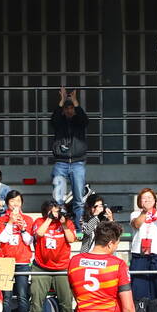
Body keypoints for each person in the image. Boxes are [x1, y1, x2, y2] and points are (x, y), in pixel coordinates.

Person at [32, 199, 77, 312]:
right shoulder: (39, 222)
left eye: (58, 210)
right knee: (36, 295)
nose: (57, 213)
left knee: (66, 295)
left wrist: (63, 224)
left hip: (62, 266)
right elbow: (39, 234)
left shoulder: (67, 223)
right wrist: (49, 219)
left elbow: (71, 239)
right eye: (54, 210)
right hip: (41, 266)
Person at [0, 191, 35, 312]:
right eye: (12, 201)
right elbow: (2, 239)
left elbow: (30, 242)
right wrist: (10, 222)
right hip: (6, 261)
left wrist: (23, 228)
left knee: (23, 295)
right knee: (6, 295)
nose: (15, 204)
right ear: (7, 203)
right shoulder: (0, 220)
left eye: (18, 200)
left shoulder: (28, 220)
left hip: (22, 261)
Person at [49, 86, 89, 229]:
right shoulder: (59, 123)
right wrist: (62, 100)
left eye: (71, 108)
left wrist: (76, 102)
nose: (69, 110)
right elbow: (53, 119)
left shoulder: (79, 123)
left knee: (79, 199)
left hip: (78, 163)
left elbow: (85, 120)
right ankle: (58, 226)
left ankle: (79, 227)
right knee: (58, 198)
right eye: (67, 108)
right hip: (61, 163)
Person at [129, 188, 157, 306]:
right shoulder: (135, 214)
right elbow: (136, 225)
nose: (147, 200)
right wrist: (144, 212)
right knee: (139, 287)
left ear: (155, 200)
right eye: (144, 198)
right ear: (139, 201)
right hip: (140, 254)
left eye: (149, 198)